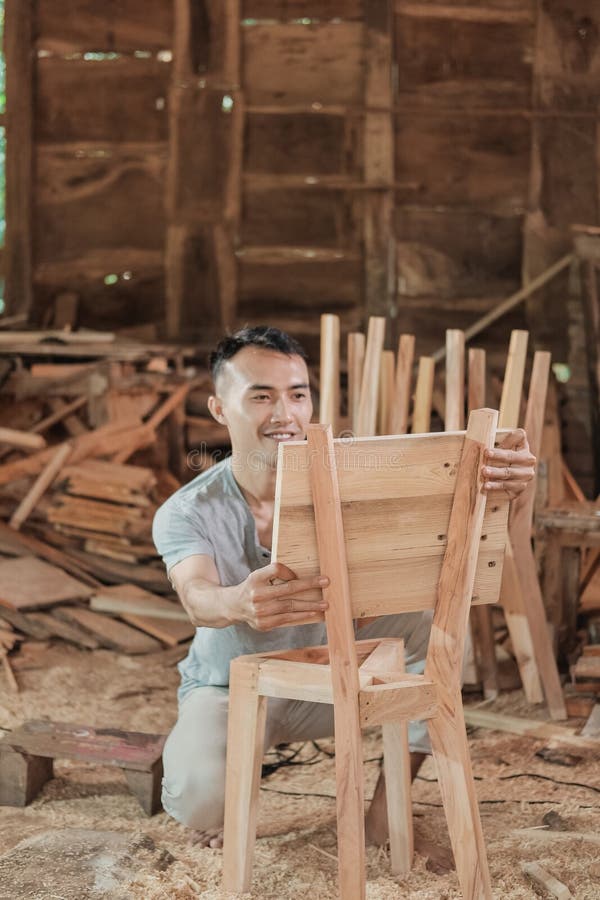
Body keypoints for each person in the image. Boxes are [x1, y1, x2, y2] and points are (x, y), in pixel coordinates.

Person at [152, 325, 536, 850]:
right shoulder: (188, 510)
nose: (284, 414)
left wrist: (501, 486)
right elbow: (196, 595)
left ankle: (384, 811)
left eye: (297, 394)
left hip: (333, 679)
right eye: (261, 396)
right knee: (200, 797)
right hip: (232, 686)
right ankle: (221, 791)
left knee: (436, 630)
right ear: (220, 409)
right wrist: (236, 601)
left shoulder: (354, 485)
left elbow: (450, 526)